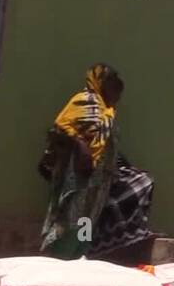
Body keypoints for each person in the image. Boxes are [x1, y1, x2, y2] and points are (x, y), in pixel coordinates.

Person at [39, 63, 155, 262]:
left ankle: (76, 260)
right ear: (100, 83)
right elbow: (61, 125)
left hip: (97, 182)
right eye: (114, 89)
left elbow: (106, 143)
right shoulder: (85, 100)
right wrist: (80, 146)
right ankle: (56, 264)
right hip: (79, 177)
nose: (117, 96)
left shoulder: (105, 110)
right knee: (70, 223)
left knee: (86, 224)